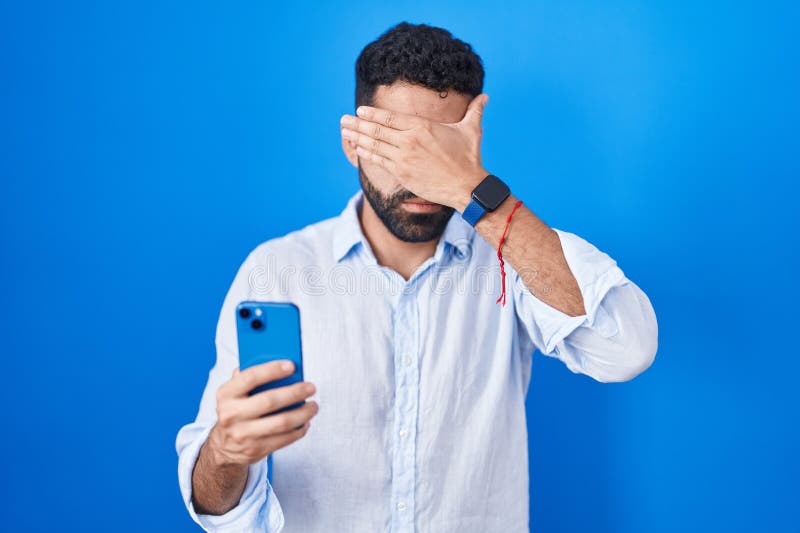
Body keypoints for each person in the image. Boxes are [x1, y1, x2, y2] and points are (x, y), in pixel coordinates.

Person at [175, 21, 658, 533]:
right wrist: (227, 452)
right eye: (398, 146)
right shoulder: (277, 269)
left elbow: (625, 349)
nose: (419, 176)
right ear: (352, 143)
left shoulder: (510, 258)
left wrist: (476, 190)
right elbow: (216, 509)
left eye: (439, 151)